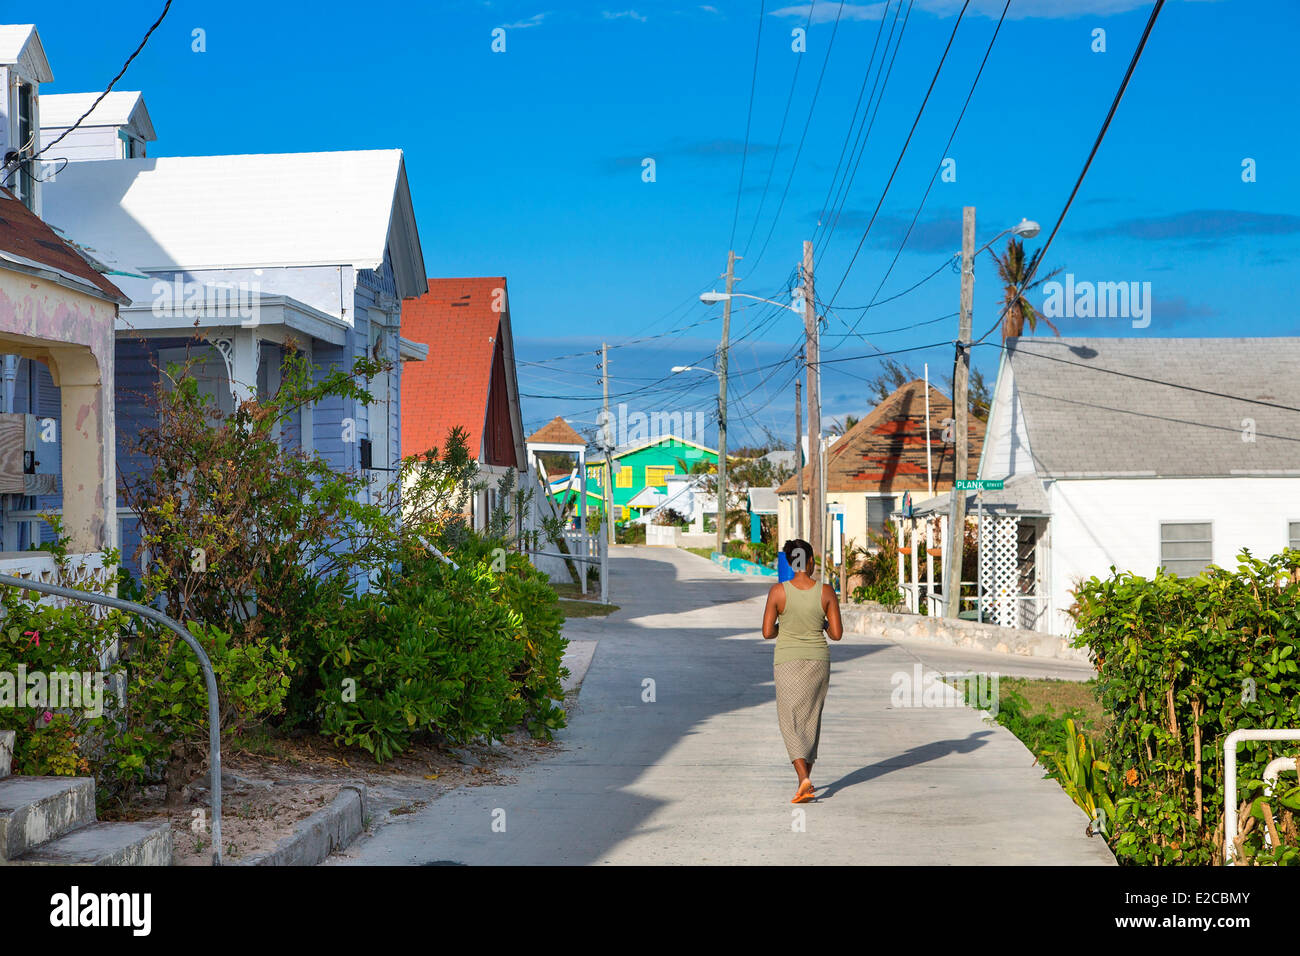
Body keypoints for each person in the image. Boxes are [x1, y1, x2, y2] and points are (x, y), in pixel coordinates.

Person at [761, 539, 843, 803]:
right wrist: (822, 624)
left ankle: (803, 779)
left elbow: (766, 632)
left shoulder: (778, 592)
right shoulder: (826, 592)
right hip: (818, 661)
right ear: (810, 562)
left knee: (790, 720)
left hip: (787, 661)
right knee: (810, 719)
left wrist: (781, 629)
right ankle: (804, 782)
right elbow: (837, 634)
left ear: (789, 562)